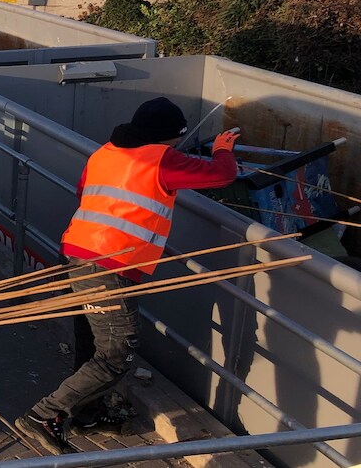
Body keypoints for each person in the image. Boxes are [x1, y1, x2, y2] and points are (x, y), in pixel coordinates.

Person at [14, 97, 239, 454]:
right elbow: (222, 175)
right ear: (165, 137)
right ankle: (46, 415)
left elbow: (87, 193)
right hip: (109, 266)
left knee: (91, 343)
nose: (176, 146)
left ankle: (87, 412)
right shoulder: (163, 158)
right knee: (118, 354)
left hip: (76, 251)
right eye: (174, 140)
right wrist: (222, 149)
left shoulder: (103, 153)